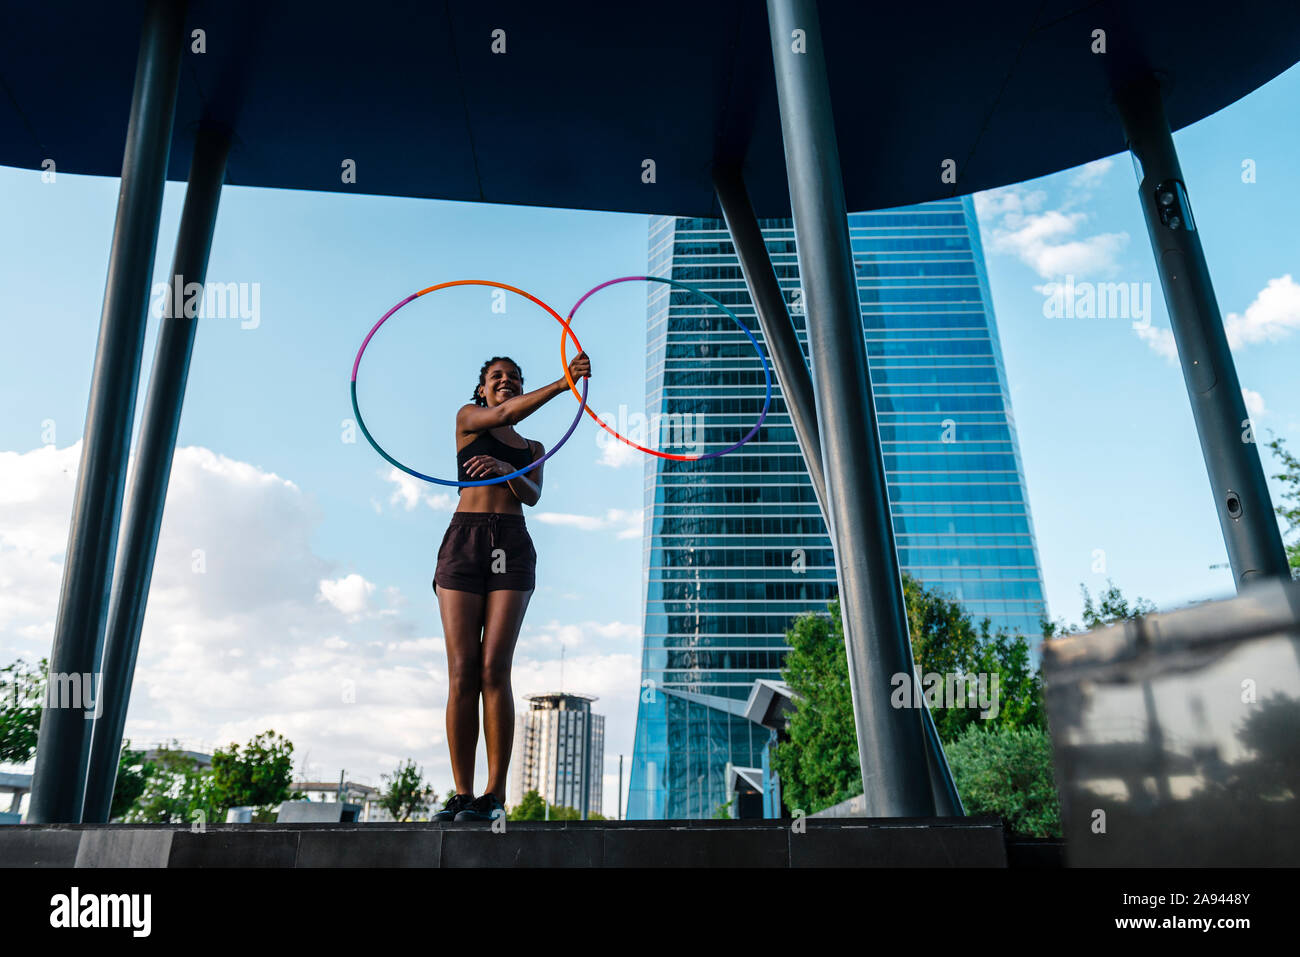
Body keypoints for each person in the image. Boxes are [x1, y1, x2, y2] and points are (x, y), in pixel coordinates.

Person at [431, 350, 591, 822]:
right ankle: (462, 793)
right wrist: (564, 385)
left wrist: (508, 472)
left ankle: (493, 796)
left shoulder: (533, 448)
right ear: (481, 389)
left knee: (494, 669)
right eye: (496, 377)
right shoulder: (470, 419)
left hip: (512, 544)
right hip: (465, 540)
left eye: (514, 378)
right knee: (462, 670)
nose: (506, 382)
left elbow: (533, 495)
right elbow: (501, 416)